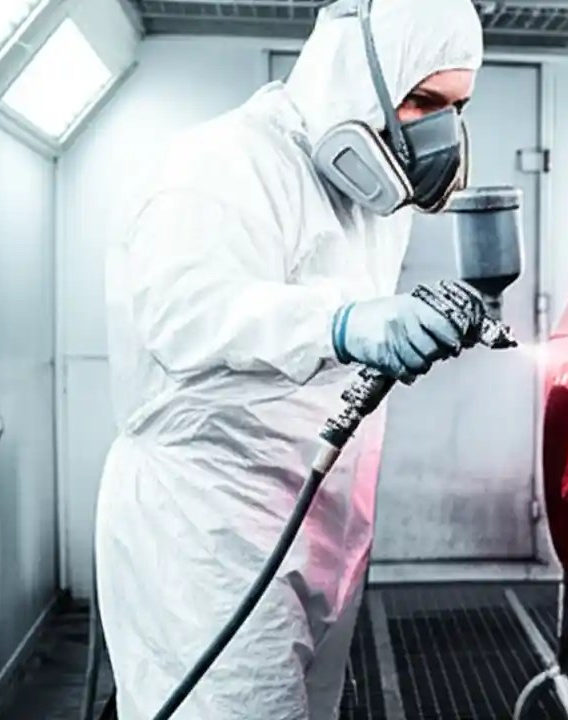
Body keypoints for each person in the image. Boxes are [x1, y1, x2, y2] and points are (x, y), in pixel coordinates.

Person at [94, 0, 484, 717]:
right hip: (210, 531)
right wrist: (338, 323)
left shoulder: (372, 200)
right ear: (356, 76)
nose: (438, 132)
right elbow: (181, 312)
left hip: (316, 520)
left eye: (456, 107)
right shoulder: (222, 163)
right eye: (424, 100)